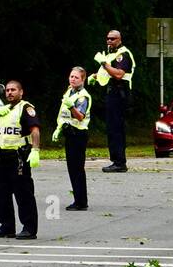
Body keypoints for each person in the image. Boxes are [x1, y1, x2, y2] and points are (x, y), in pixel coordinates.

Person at [0, 80, 41, 240]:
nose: (10, 92)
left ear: (21, 92)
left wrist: (36, 149)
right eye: (8, 90)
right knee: (2, 193)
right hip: (3, 156)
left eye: (13, 90)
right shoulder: (4, 110)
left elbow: (35, 130)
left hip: (19, 156)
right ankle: (7, 226)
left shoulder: (26, 108)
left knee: (23, 193)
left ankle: (29, 228)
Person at [92, 29, 134, 172]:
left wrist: (104, 64)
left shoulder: (122, 55)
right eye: (108, 38)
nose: (109, 41)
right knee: (111, 128)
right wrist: (96, 76)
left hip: (119, 92)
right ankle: (116, 160)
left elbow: (118, 74)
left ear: (119, 40)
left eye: (113, 38)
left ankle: (119, 162)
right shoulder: (111, 55)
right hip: (112, 93)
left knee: (116, 128)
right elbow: (107, 74)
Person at [53, 66, 92, 211]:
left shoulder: (82, 96)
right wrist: (58, 128)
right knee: (72, 168)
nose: (73, 79)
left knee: (77, 169)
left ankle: (81, 201)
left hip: (78, 134)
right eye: (71, 76)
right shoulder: (69, 92)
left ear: (83, 79)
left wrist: (71, 107)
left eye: (76, 77)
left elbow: (80, 116)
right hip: (69, 133)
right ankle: (78, 198)